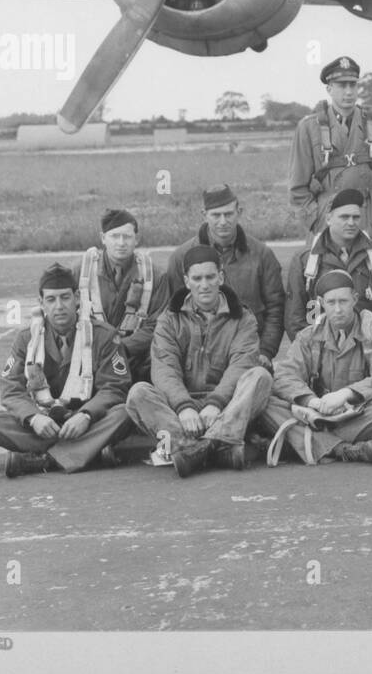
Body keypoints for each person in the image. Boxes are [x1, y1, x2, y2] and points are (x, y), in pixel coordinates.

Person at [126, 246, 273, 477]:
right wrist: (183, 407)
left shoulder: (243, 318)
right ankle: (216, 446)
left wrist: (215, 403)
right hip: (181, 411)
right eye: (197, 278)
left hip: (225, 407)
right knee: (138, 394)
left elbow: (241, 365)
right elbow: (165, 369)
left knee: (260, 376)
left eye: (210, 277)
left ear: (221, 277)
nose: (204, 285)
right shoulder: (169, 319)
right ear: (186, 281)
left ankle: (198, 449)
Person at [0, 264, 134, 477]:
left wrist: (86, 415)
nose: (59, 306)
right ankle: (88, 452)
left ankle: (44, 459)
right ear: (41, 303)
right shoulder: (27, 338)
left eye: (65, 297)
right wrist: (33, 418)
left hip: (86, 421)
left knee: (125, 413)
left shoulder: (103, 335)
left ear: (78, 298)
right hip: (45, 422)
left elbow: (115, 387)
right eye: (51, 300)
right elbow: (10, 389)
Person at [289, 55, 372, 306]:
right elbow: (298, 189)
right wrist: (319, 220)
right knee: (326, 293)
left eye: (353, 85)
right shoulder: (308, 128)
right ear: (329, 89)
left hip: (369, 220)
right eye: (342, 86)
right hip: (328, 223)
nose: (349, 92)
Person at [257, 270, 372, 466]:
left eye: (344, 301)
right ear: (321, 303)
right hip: (316, 416)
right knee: (267, 402)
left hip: (355, 414)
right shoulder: (309, 335)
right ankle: (342, 449)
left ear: (355, 299)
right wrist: (311, 401)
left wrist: (346, 394)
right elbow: (284, 375)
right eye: (331, 303)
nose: (338, 309)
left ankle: (306, 443)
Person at [166, 185, 285, 365]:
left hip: (250, 353)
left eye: (228, 214)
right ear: (203, 214)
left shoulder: (262, 255)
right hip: (197, 359)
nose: (223, 221)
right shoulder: (181, 258)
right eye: (216, 215)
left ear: (239, 212)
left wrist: (265, 351)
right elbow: (172, 315)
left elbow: (276, 308)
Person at [285, 189, 372, 338]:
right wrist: (311, 354)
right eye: (344, 217)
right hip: (320, 350)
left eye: (356, 217)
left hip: (369, 348)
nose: (351, 223)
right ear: (328, 219)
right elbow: (295, 318)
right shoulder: (304, 260)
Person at [75, 208, 170, 382]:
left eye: (127, 237)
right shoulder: (81, 272)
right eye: (114, 236)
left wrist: (120, 348)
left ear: (137, 239)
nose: (121, 243)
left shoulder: (156, 275)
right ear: (103, 238)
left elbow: (159, 325)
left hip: (137, 357)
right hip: (91, 356)